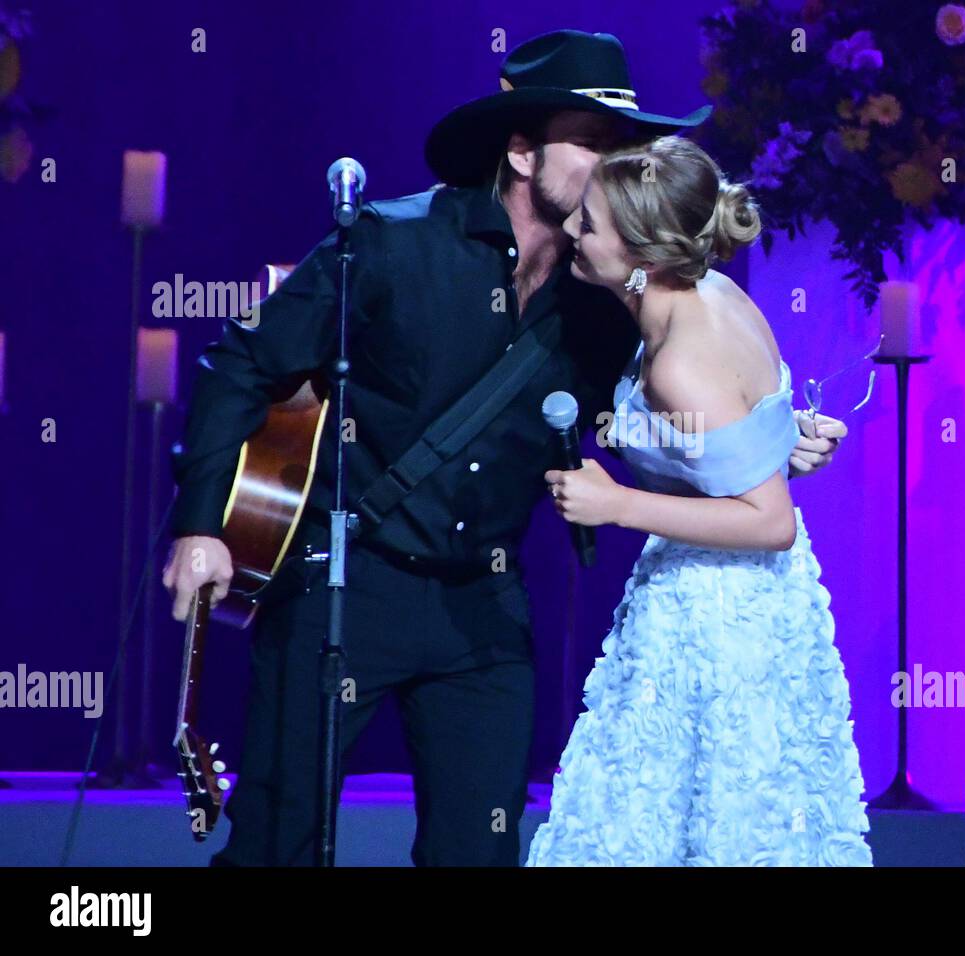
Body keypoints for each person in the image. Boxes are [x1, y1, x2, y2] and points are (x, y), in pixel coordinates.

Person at [160, 29, 847, 866]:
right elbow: (241, 365)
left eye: (623, 146)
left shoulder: (605, 294)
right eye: (592, 144)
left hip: (483, 609)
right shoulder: (391, 243)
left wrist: (767, 446)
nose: (614, 167)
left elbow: (636, 427)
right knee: (277, 840)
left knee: (478, 853)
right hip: (347, 583)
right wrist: (202, 526)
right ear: (522, 152)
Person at [526, 136, 873, 866]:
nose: (571, 233)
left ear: (643, 259)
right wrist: (784, 443)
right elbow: (735, 443)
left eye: (588, 224)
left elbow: (769, 522)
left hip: (717, 618)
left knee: (696, 822)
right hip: (735, 601)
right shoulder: (711, 292)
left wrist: (617, 504)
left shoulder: (681, 360)